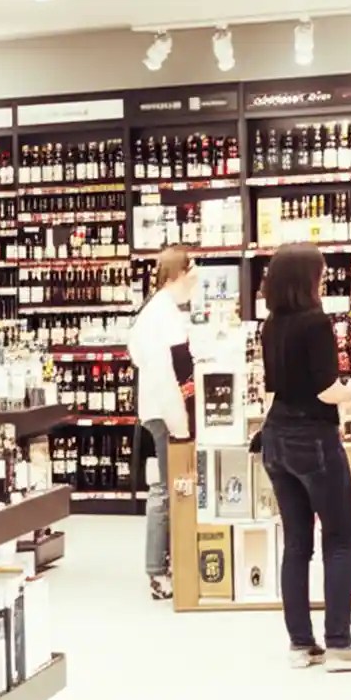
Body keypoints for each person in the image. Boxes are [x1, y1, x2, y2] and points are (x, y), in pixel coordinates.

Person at [258, 242, 351, 672]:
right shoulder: (316, 323)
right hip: (314, 438)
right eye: (321, 275)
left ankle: (299, 644)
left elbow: (277, 386)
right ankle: (339, 644)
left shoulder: (270, 326)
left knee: (296, 542)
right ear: (307, 280)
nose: (324, 281)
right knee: (342, 536)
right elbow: (326, 387)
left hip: (275, 438)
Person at [128, 245, 196, 601]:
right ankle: (157, 572)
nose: (195, 281)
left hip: (161, 411)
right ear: (175, 275)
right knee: (165, 492)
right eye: (191, 274)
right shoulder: (163, 314)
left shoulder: (160, 310)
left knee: (166, 489)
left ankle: (165, 565)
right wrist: (180, 423)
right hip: (165, 413)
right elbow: (166, 374)